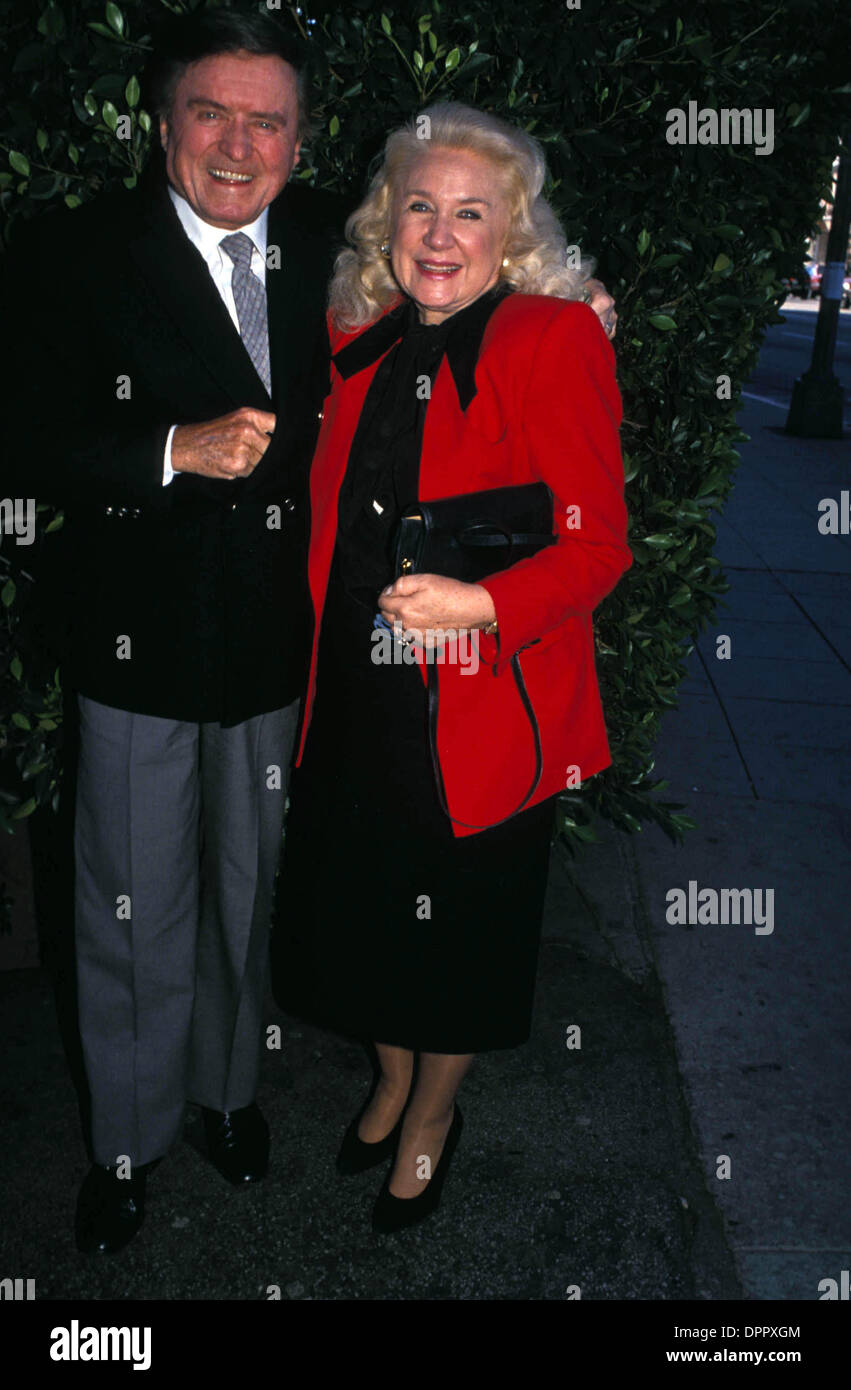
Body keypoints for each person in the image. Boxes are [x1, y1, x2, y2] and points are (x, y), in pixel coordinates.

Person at [2, 10, 345, 1254]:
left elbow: (453, 270)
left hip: (270, 646)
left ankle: (227, 1095)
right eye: (212, 111)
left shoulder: (330, 244)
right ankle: (128, 1143)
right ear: (163, 124)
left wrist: (571, 297)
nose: (238, 143)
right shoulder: (68, 253)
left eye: (268, 119)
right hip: (137, 644)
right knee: (131, 906)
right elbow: (22, 452)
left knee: (247, 897)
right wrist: (165, 451)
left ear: (301, 142)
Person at [272, 102, 632, 1232]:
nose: (438, 232)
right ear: (386, 219)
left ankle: (431, 1115)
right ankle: (387, 1075)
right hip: (356, 692)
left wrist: (482, 603)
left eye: (470, 212)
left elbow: (596, 545)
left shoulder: (550, 337)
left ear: (512, 233)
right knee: (361, 920)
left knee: (454, 947)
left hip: (478, 714)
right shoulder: (355, 330)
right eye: (418, 204)